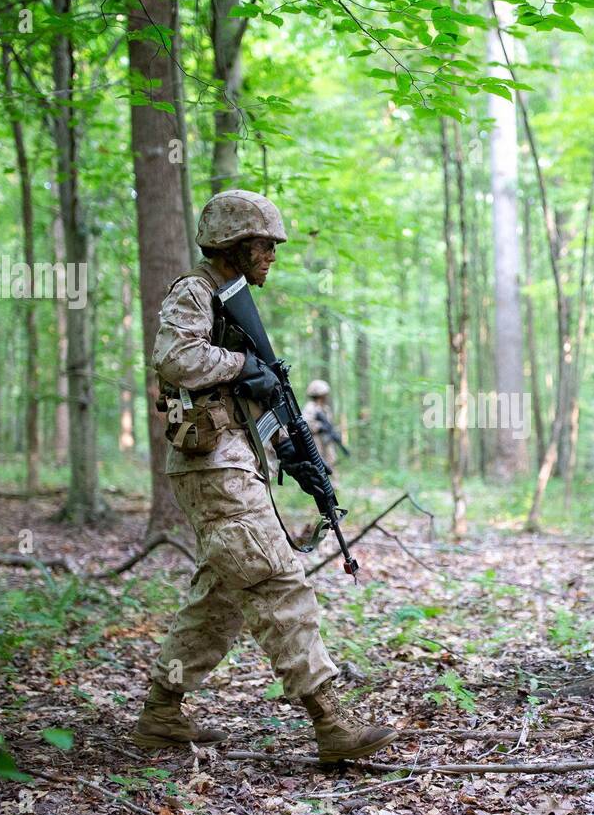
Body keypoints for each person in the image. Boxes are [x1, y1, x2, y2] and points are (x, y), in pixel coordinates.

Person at [129, 189, 398, 763]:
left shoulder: (232, 300)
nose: (272, 254)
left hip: (233, 461)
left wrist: (292, 451)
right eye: (264, 244)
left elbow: (245, 397)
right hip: (212, 466)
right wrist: (244, 366)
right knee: (278, 579)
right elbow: (175, 359)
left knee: (220, 600)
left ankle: (160, 714)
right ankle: (331, 723)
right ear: (234, 243)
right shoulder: (195, 292)